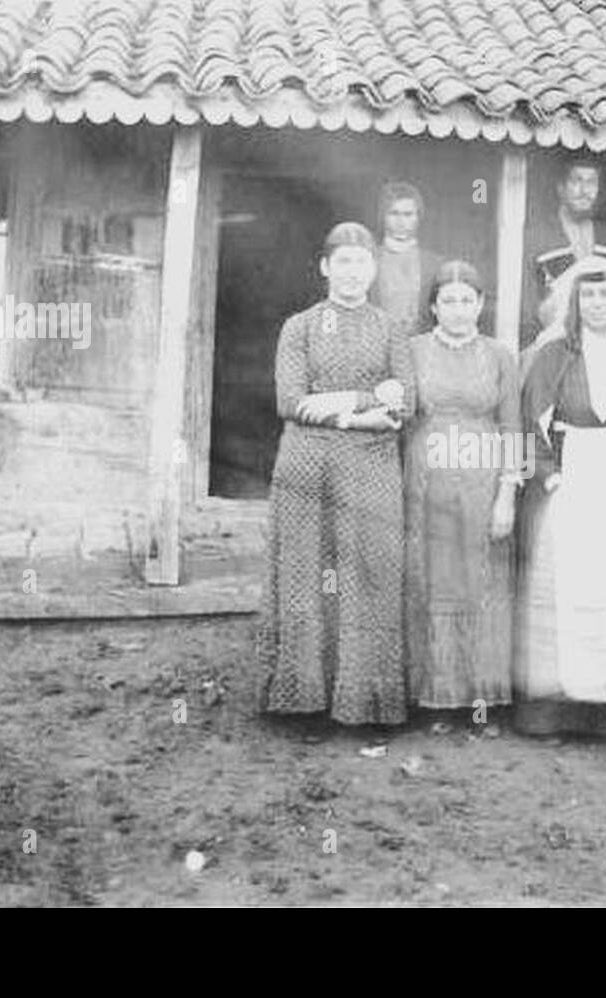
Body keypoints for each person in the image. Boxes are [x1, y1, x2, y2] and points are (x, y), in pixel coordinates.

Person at [258, 222, 415, 726]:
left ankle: (364, 700)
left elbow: (405, 403)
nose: (352, 272)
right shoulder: (299, 327)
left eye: (361, 262)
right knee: (309, 573)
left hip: (371, 467)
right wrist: (362, 407)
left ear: (374, 269)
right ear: (326, 268)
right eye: (342, 261)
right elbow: (290, 401)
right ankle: (302, 696)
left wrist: (337, 404)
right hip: (305, 465)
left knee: (368, 574)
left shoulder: (391, 327)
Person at [514, 257, 606, 736]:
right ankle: (567, 707)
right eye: (588, 295)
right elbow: (529, 422)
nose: (598, 303)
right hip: (573, 476)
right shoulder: (554, 355)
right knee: (573, 587)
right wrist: (552, 476)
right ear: (574, 301)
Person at [404, 260, 521, 714]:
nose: (457, 310)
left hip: (484, 482)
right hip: (428, 481)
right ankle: (439, 698)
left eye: (466, 300)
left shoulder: (500, 356)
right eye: (448, 300)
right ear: (433, 306)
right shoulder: (412, 350)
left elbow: (514, 429)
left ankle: (482, 699)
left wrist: (507, 496)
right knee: (436, 582)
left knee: (482, 584)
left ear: (481, 305)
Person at [522, 158, 606, 346]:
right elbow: (528, 300)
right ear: (561, 188)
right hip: (555, 340)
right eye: (576, 181)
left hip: (603, 339)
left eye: (591, 182)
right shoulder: (538, 236)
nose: (584, 191)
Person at [370, 181, 444, 335]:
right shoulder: (367, 260)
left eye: (408, 214)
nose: (401, 222)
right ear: (382, 216)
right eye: (394, 213)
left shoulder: (435, 265)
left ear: (419, 217)